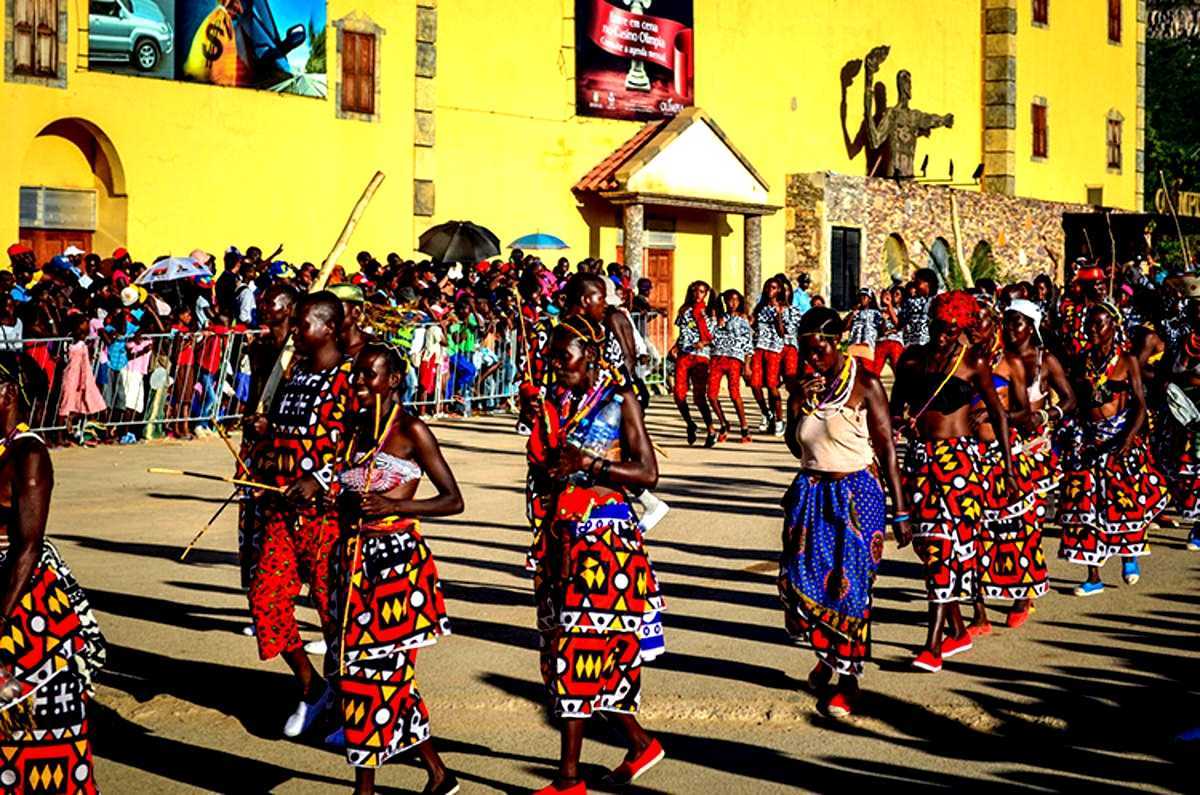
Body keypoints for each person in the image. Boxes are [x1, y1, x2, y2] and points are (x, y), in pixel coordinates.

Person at [530, 316, 665, 795]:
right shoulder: (553, 405)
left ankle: (568, 779)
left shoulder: (618, 402)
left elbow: (648, 473)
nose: (554, 365)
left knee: (577, 654)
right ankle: (640, 743)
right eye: (551, 356)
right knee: (578, 657)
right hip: (559, 539)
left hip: (605, 545)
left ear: (591, 355)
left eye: (562, 357)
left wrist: (591, 463)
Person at [331, 343, 462, 795]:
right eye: (357, 374)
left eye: (370, 375)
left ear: (392, 380)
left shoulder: (410, 430)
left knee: (365, 677)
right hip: (352, 563)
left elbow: (453, 499)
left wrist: (395, 503)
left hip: (397, 568)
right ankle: (439, 775)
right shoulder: (353, 427)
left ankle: (364, 789)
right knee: (380, 675)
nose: (361, 382)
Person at [779, 308, 911, 718]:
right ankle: (826, 655)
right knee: (801, 581)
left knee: (850, 589)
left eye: (818, 350)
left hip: (856, 495)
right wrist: (796, 402)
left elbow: (887, 446)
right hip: (811, 494)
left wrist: (901, 509)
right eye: (806, 351)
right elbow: (795, 445)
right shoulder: (805, 387)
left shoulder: (866, 383)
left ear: (837, 342)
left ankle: (848, 678)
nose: (812, 359)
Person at [890, 290, 1015, 673]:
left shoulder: (974, 362)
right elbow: (894, 412)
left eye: (948, 330)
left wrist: (1009, 470)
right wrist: (902, 426)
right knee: (928, 550)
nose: (941, 336)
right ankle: (957, 631)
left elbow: (1000, 415)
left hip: (960, 465)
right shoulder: (912, 359)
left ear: (960, 328)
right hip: (920, 462)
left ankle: (932, 647)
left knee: (945, 549)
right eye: (936, 328)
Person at [249, 292, 356, 735]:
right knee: (265, 600)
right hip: (282, 511)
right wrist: (265, 434)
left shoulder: (352, 381)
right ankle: (312, 689)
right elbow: (287, 438)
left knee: (336, 616)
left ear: (330, 327)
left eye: (304, 323)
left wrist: (323, 479)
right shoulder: (293, 375)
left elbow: (369, 453)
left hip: (327, 517)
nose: (294, 330)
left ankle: (351, 703)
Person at [0, 353, 106, 792]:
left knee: (29, 726)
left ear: (6, 394)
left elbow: (29, 544)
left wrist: (0, 616)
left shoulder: (29, 455)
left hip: (21, 600)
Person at [1059, 302, 1169, 594]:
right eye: (1089, 325)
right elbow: (1077, 402)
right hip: (1090, 440)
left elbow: (1140, 407)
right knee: (1086, 507)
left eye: (1100, 324)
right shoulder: (1081, 360)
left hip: (1120, 439)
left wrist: (1127, 439)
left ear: (1113, 327)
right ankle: (1093, 575)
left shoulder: (1127, 361)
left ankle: (1128, 554)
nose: (1092, 330)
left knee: (1122, 502)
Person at [1000, 299, 1076, 625]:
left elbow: (1070, 398)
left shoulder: (1045, 361)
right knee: (1001, 519)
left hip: (1034, 450)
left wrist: (1049, 414)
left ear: (1031, 327)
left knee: (1028, 522)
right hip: (1001, 447)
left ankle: (1024, 594)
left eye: (1016, 323)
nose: (1009, 329)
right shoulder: (997, 360)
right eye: (1007, 322)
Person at [671, 281, 716, 446]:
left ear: (706, 294)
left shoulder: (709, 312)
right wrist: (675, 347)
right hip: (685, 354)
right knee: (678, 394)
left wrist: (704, 343)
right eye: (695, 291)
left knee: (699, 396)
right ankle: (690, 423)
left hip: (701, 356)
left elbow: (714, 336)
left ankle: (710, 428)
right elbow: (683, 333)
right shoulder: (684, 311)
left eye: (702, 292)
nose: (698, 294)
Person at [707, 289, 754, 443]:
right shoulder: (718, 318)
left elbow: (748, 344)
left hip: (735, 358)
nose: (732, 303)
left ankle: (744, 426)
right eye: (729, 300)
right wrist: (716, 322)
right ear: (725, 302)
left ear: (739, 302)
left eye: (735, 300)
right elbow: (709, 337)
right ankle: (723, 422)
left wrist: (747, 365)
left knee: (734, 394)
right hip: (717, 357)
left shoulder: (743, 320)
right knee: (712, 395)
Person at [750, 277, 786, 436]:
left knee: (772, 385)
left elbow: (782, 332)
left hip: (773, 348)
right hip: (759, 347)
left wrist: (778, 315)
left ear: (778, 290)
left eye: (773, 288)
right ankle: (766, 412)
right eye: (767, 288)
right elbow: (753, 324)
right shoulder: (760, 307)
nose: (769, 291)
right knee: (755, 383)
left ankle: (779, 419)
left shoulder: (784, 308)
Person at [329, 283, 376, 359]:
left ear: (356, 312)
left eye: (336, 307)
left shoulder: (376, 349)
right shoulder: (323, 348)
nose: (327, 312)